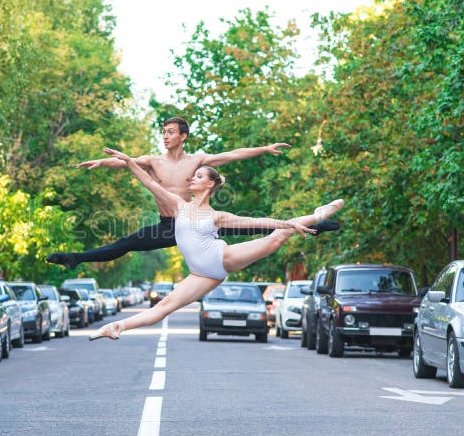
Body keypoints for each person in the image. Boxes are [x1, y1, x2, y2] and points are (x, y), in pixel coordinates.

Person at [89, 147, 344, 340]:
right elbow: (148, 182)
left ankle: (317, 215)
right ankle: (117, 327)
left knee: (276, 237)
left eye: (198, 176)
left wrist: (291, 225)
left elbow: (260, 221)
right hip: (200, 275)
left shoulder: (217, 216)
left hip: (221, 259)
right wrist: (128, 160)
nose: (192, 178)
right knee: (164, 306)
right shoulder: (179, 205)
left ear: (210, 184)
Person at [46, 117, 339, 270]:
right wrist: (102, 162)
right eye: (163, 131)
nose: (165, 135)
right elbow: (126, 162)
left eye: (171, 131)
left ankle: (316, 224)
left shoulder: (196, 161)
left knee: (256, 225)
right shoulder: (153, 161)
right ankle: (76, 258)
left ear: (183, 136)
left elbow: (232, 155)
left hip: (193, 221)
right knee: (125, 243)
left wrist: (263, 149)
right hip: (167, 227)